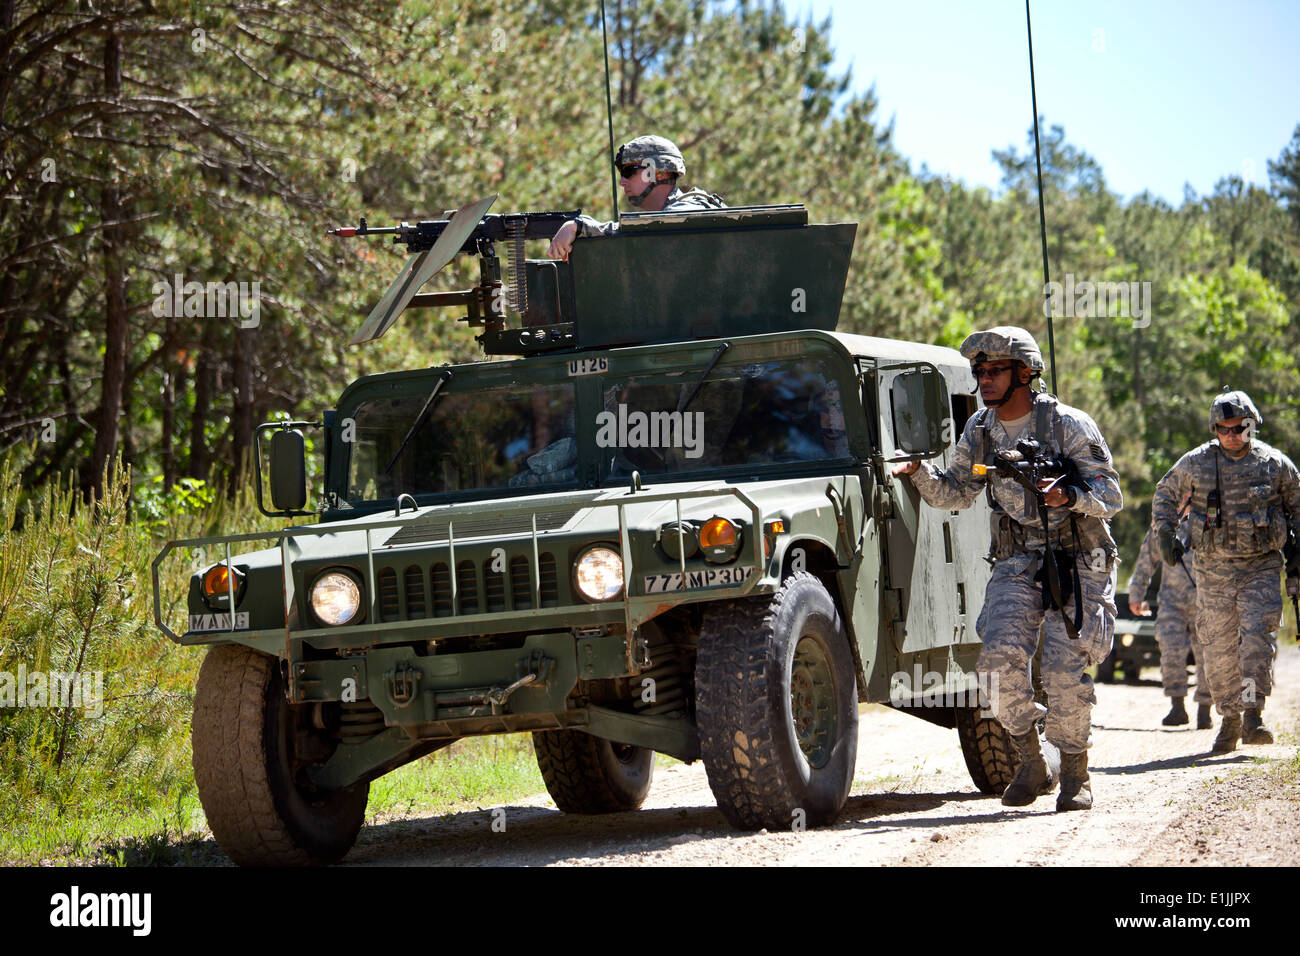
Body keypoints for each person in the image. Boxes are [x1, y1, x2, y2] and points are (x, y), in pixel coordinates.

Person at [893, 327, 1122, 812]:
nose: (984, 380)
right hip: (1018, 559)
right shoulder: (980, 429)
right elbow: (956, 492)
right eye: (978, 372)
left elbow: (1112, 497)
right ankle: (1030, 759)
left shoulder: (1068, 424)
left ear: (1025, 372)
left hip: (1078, 556)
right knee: (996, 664)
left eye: (994, 370)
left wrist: (1069, 496)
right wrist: (917, 473)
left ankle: (1076, 773)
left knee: (1063, 670)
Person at [1150, 388, 1300, 753]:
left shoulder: (1275, 465)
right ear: (1215, 429)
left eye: (1239, 428)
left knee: (1256, 642)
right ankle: (1229, 718)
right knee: (1217, 650)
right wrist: (1166, 533)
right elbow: (1164, 495)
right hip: (1213, 571)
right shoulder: (1197, 463)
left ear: (1253, 425)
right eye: (1224, 429)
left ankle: (1252, 714)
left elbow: (1297, 507)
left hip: (1260, 567)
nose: (1232, 436)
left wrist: (1296, 558)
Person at [547, 135, 725, 260]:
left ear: (657, 173)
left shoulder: (691, 209)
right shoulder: (669, 217)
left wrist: (578, 226)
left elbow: (652, 229)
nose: (622, 182)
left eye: (628, 172)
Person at [1127, 496, 1213, 729]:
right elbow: (1146, 561)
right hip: (1171, 602)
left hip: (1205, 601)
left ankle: (1205, 709)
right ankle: (1177, 707)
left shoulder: (1209, 520)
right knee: (1170, 650)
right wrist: (1136, 594)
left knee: (1207, 656)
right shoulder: (1163, 526)